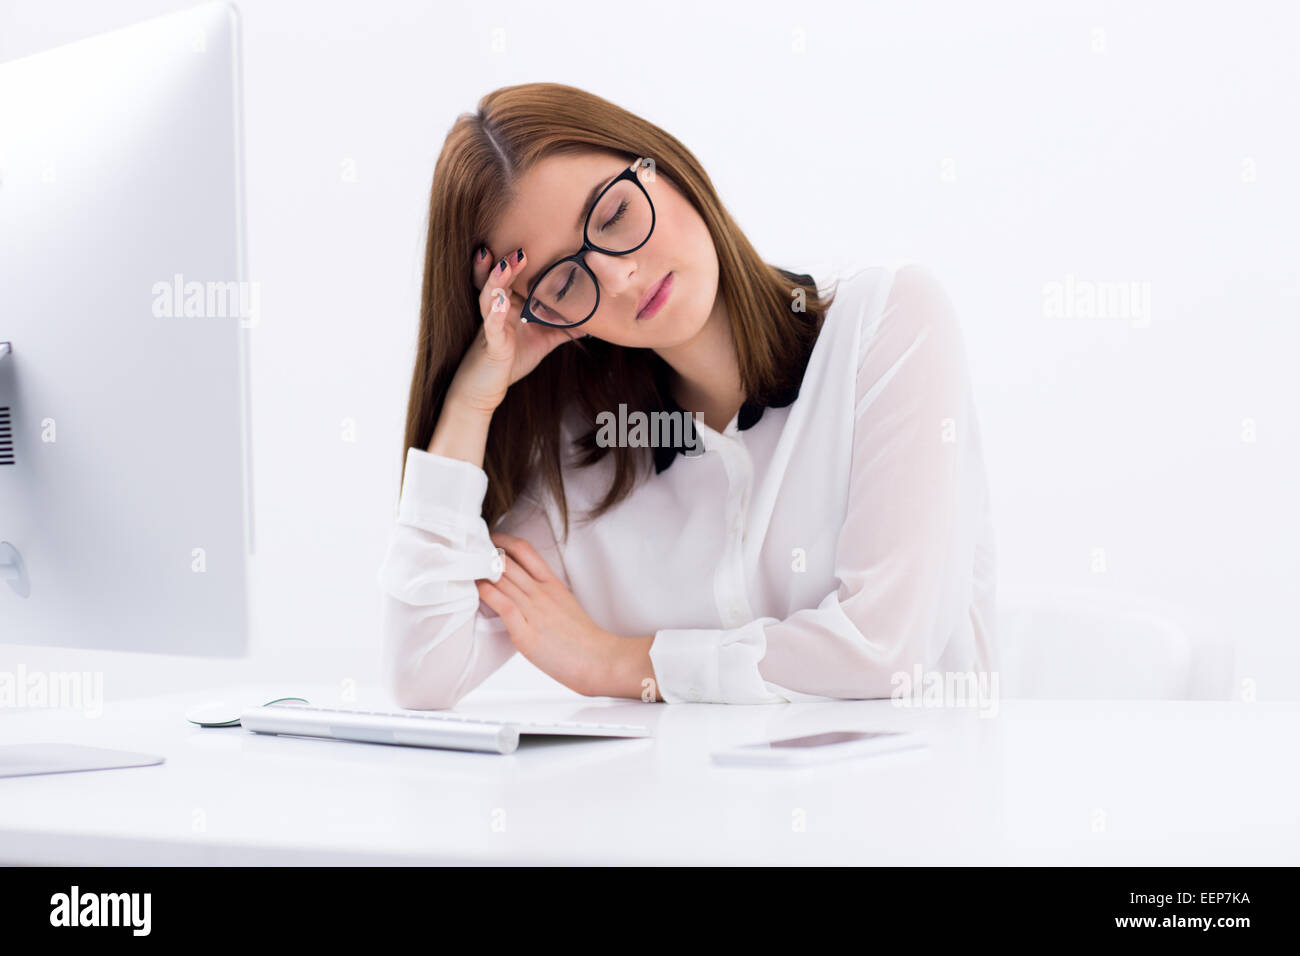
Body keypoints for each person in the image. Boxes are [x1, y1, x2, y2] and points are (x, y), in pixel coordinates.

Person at [376, 82, 996, 707]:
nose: (618, 276)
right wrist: (470, 400)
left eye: (615, 214)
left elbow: (881, 653)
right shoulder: (585, 465)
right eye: (565, 282)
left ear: (660, 162)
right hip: (681, 807)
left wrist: (619, 662)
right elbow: (424, 674)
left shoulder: (887, 329)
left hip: (909, 801)